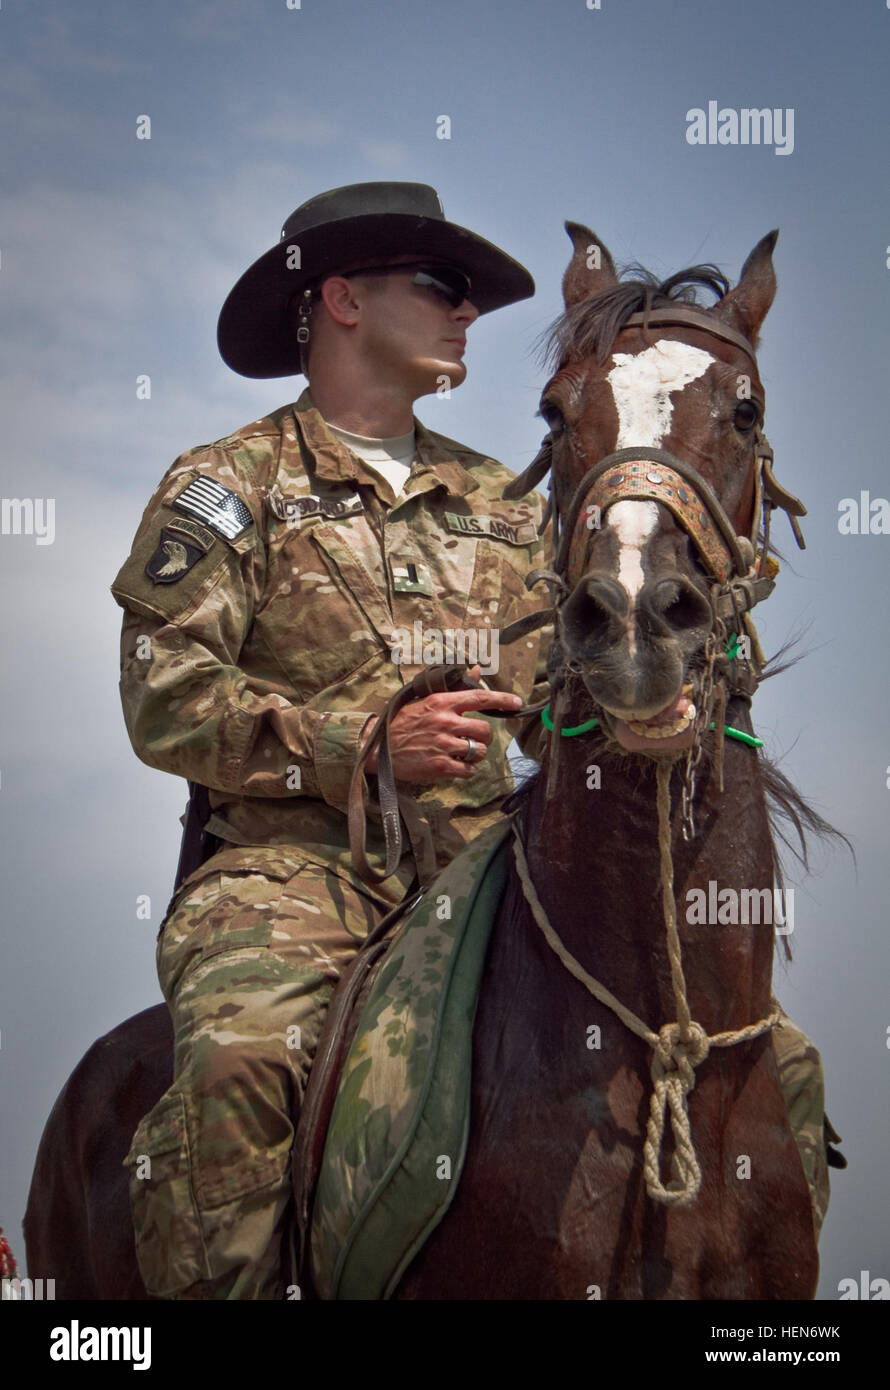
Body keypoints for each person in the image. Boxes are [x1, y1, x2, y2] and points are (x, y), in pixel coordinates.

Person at [110, 182, 553, 1299]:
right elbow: (163, 692)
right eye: (444, 287)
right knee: (235, 1063)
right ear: (343, 298)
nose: (468, 314)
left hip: (488, 882)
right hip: (287, 878)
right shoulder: (229, 484)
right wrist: (361, 742)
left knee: (747, 1056)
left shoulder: (514, 507)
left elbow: (566, 698)